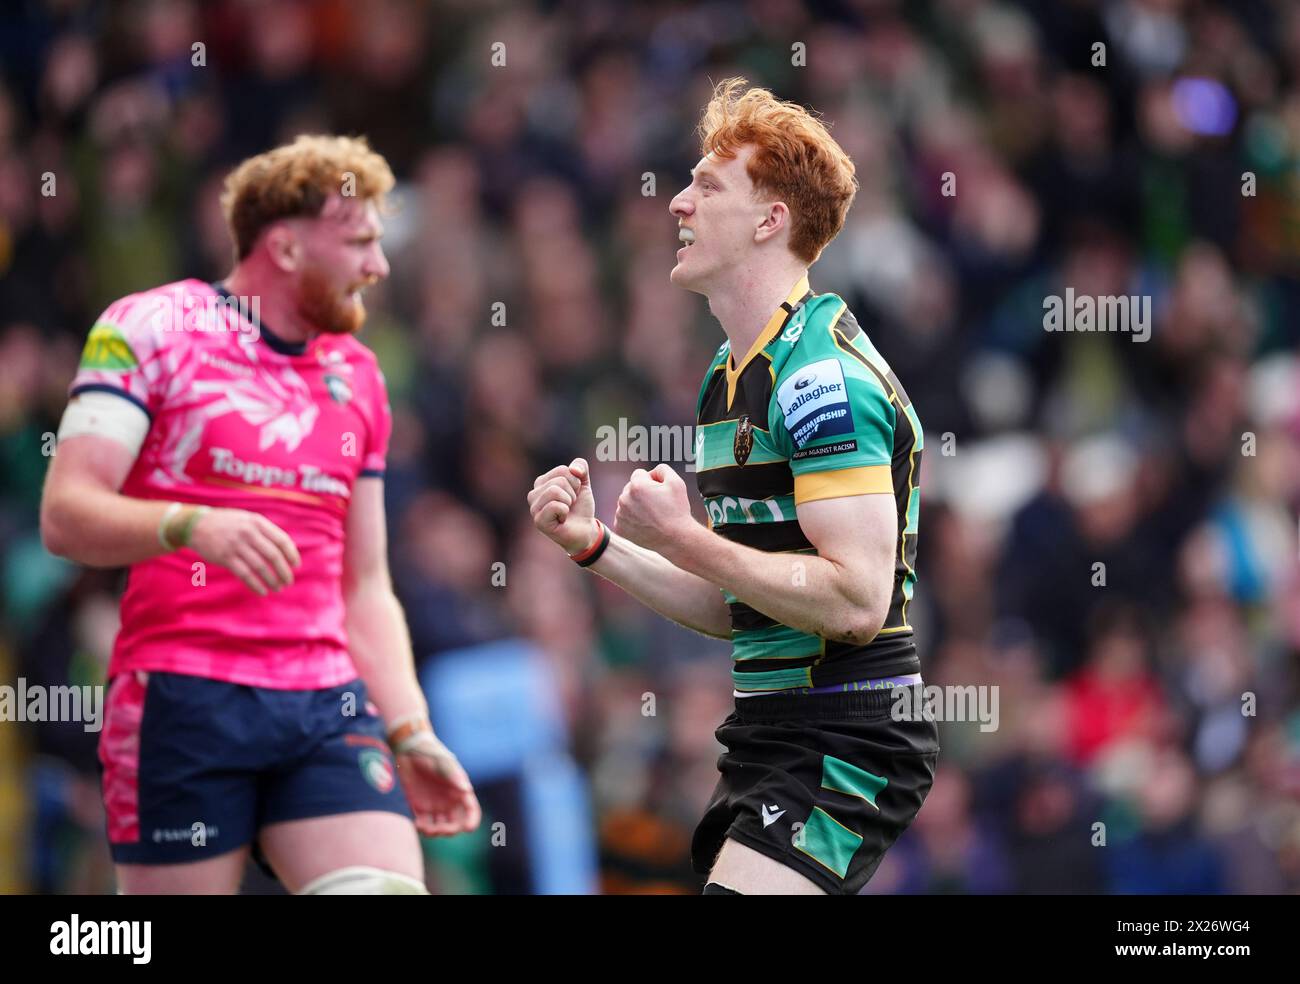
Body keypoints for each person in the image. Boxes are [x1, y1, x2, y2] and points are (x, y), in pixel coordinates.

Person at [40, 134, 480, 895]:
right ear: (283, 245)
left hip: (325, 703)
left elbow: (364, 585)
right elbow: (65, 516)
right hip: (183, 698)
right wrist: (188, 525)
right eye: (361, 241)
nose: (378, 266)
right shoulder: (148, 327)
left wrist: (410, 728)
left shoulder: (360, 376)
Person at [528, 79, 938, 895]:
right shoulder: (726, 376)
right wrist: (598, 549)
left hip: (848, 733)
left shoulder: (819, 378)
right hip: (767, 728)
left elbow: (855, 603)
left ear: (769, 219)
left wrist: (682, 536)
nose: (677, 202)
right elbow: (744, 604)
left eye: (708, 185)